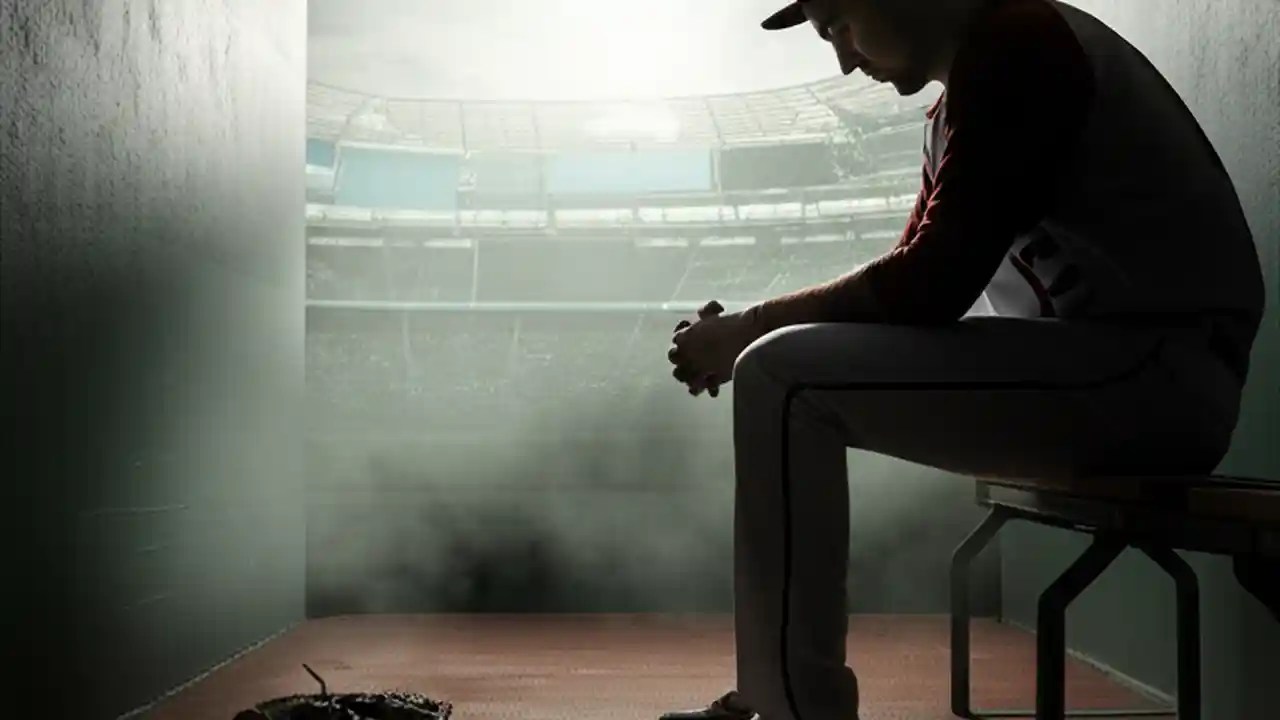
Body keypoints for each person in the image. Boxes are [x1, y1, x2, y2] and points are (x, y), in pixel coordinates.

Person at [661, 1, 1265, 719]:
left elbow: (928, 285)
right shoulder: (966, 91)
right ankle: (779, 696)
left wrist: (748, 330)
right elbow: (907, 277)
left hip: (1156, 370)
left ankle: (789, 708)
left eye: (839, 26)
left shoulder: (1018, 41)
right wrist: (743, 330)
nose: (844, 60)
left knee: (779, 373)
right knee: (776, 368)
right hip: (1115, 366)